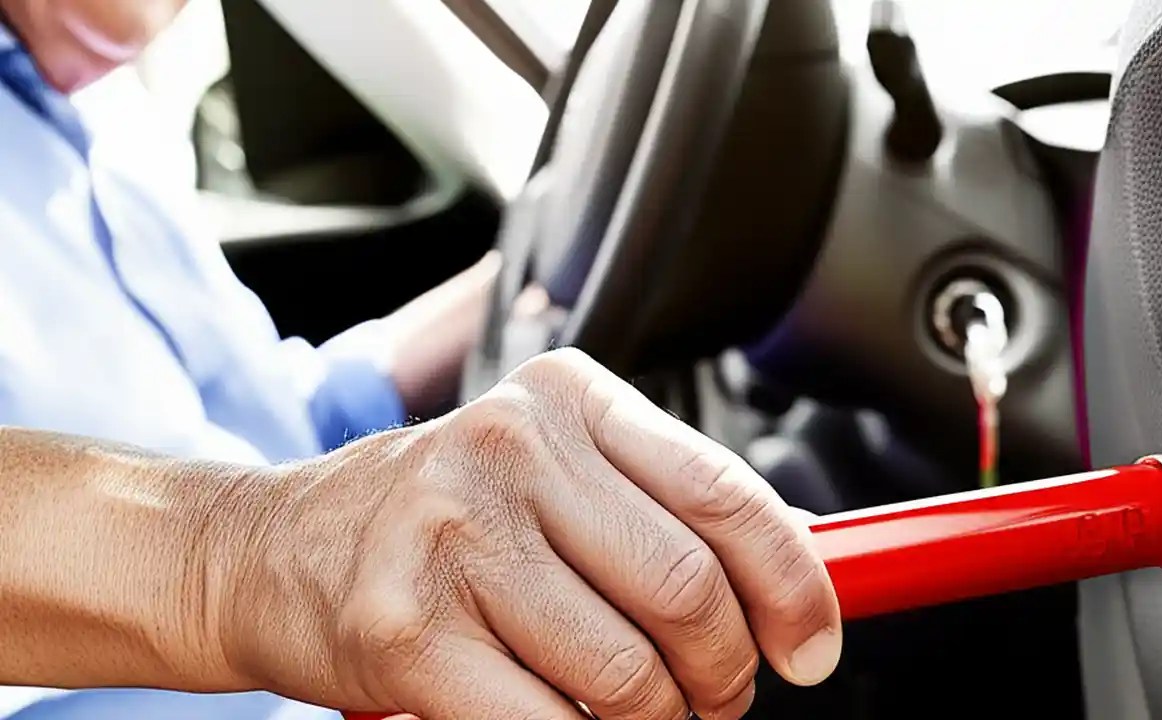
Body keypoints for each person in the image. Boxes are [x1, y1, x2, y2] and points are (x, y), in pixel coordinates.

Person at [0, 1, 842, 719]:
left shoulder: (108, 122)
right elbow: (269, 522)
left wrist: (524, 273)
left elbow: (276, 420)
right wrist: (246, 560)